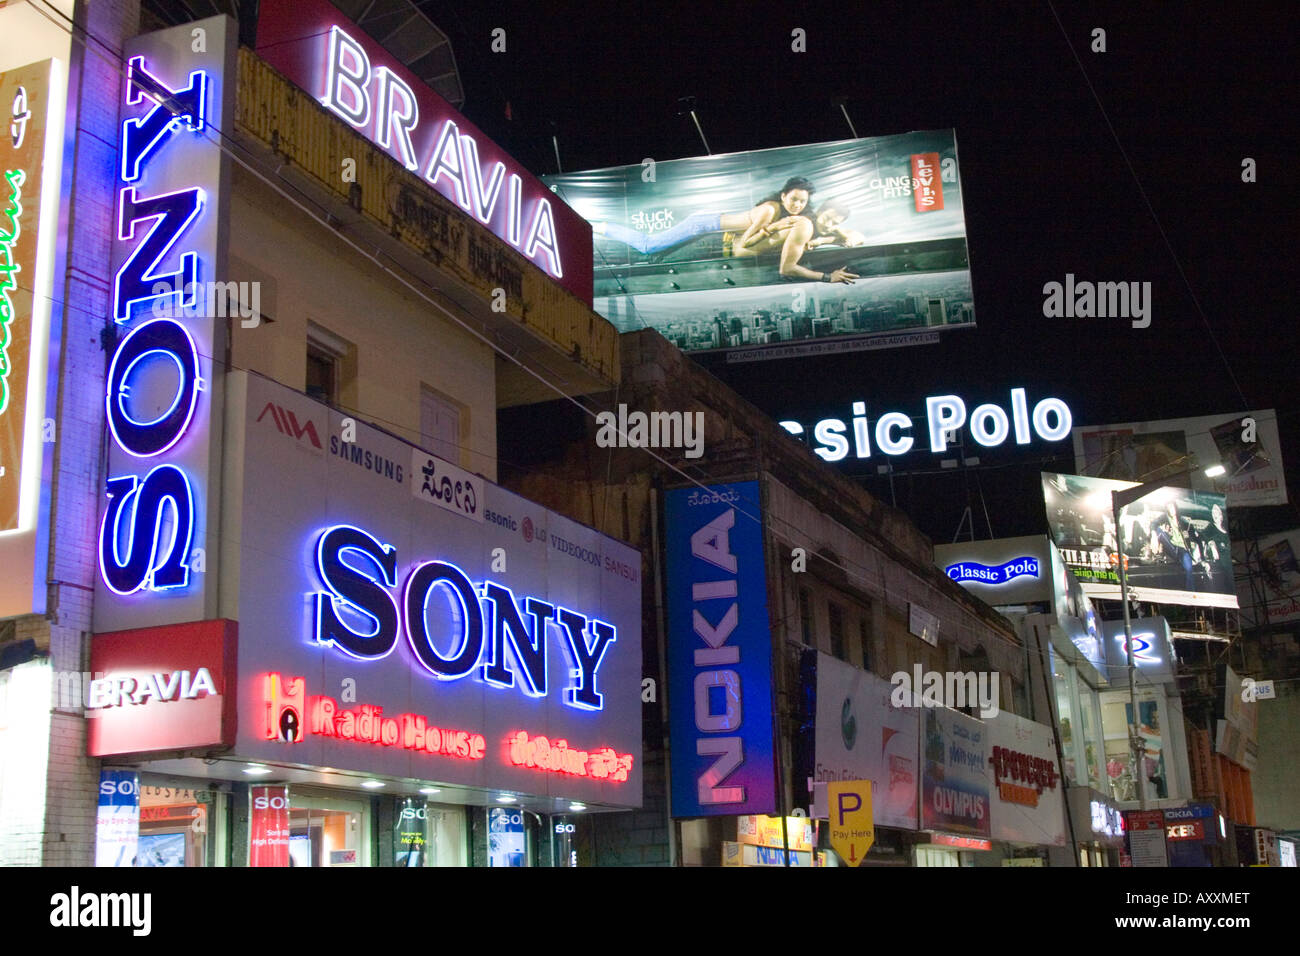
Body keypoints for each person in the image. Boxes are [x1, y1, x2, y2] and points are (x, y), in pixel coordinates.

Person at [594, 177, 858, 283]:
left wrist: (836, 236)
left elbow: (813, 239)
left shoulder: (799, 220)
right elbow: (750, 241)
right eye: (793, 199)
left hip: (715, 234)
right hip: (702, 226)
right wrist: (826, 276)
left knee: (652, 251)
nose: (797, 205)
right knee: (649, 246)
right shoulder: (770, 210)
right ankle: (601, 227)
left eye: (802, 201)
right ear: (783, 195)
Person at [1150, 499, 1196, 591]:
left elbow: (1194, 536)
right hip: (1172, 547)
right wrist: (1153, 535)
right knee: (1158, 530)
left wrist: (1194, 551)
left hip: (1183, 549)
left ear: (1175, 507)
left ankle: (1190, 592)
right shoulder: (1166, 517)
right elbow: (1154, 523)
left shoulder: (1183, 521)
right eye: (1168, 507)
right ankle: (1158, 555)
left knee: (1188, 569)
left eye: (1172, 507)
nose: (1170, 509)